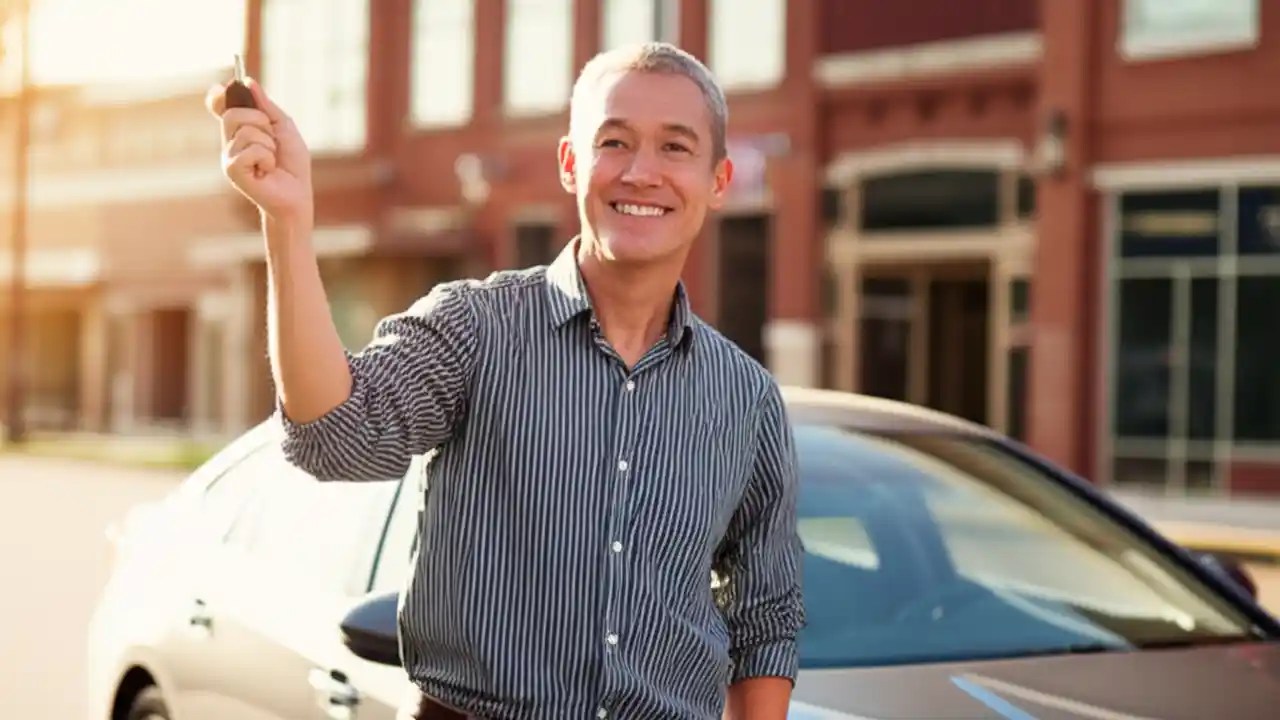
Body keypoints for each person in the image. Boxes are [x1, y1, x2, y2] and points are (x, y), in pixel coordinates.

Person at [207, 41, 804, 720]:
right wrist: (287, 221)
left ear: (718, 180)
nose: (641, 172)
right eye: (614, 142)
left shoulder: (747, 398)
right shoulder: (474, 329)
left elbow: (765, 617)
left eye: (675, 148)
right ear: (571, 164)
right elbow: (333, 436)